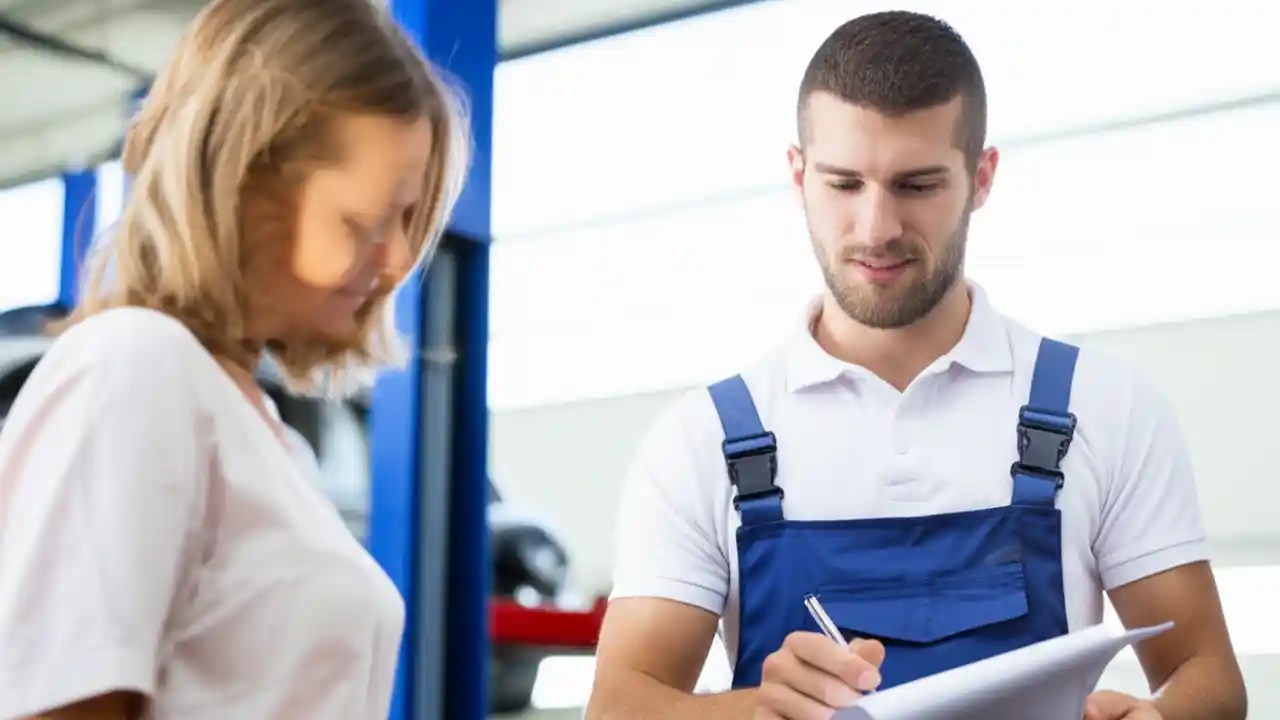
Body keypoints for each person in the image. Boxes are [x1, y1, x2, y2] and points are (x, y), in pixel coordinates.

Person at [586, 11, 1247, 720]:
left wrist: (1160, 716)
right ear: (797, 174)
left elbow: (1206, 674)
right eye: (844, 184)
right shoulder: (701, 442)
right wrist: (757, 712)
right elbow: (620, 705)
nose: (876, 229)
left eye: (917, 185)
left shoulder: (1107, 407)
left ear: (981, 177)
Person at [0, 0, 468, 717]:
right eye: (365, 221)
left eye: (410, 221)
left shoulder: (272, 439)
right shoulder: (136, 367)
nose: (402, 258)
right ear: (243, 186)